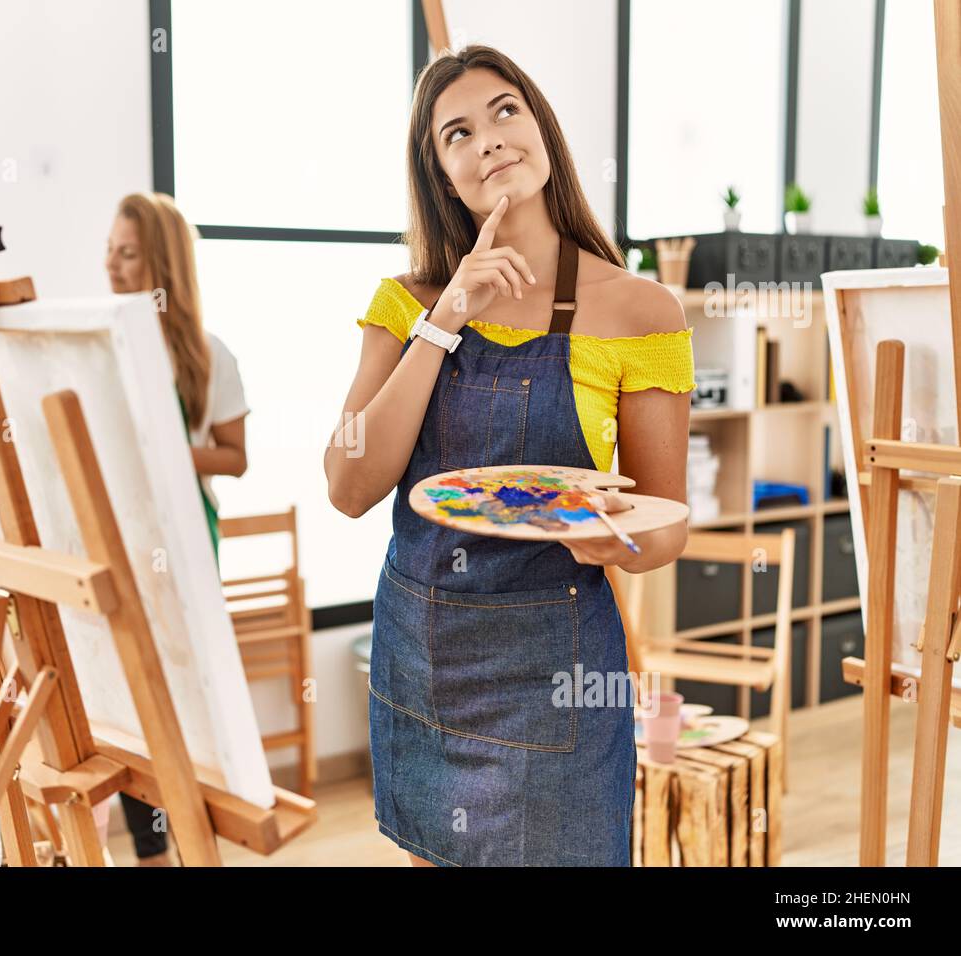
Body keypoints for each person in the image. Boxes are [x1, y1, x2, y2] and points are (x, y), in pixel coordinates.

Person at [325, 45, 693, 867]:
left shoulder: (641, 309)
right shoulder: (409, 302)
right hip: (425, 655)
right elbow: (349, 484)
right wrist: (447, 314)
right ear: (441, 173)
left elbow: (668, 524)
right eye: (457, 132)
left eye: (504, 112)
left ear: (542, 130)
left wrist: (619, 539)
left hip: (556, 676)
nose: (487, 139)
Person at [99, 191, 251, 865]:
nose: (112, 265)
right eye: (109, 251)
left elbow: (235, 457)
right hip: (117, 539)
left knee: (185, 705)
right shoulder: (98, 342)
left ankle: (193, 837)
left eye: (128, 253)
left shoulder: (208, 355)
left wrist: (161, 445)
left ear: (161, 262)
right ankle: (151, 852)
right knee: (129, 705)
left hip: (185, 545)